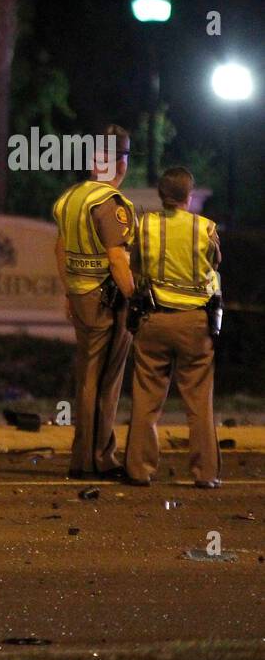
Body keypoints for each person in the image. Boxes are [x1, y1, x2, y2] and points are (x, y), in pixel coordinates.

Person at [124, 167, 222, 488]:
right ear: (188, 196)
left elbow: (135, 266)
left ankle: (139, 470)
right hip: (195, 323)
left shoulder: (145, 225)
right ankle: (205, 474)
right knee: (199, 402)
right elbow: (214, 265)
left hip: (155, 320)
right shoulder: (205, 228)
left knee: (146, 399)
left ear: (160, 196)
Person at [51, 124, 137, 479]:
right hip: (108, 301)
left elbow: (59, 247)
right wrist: (136, 299)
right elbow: (117, 259)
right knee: (107, 381)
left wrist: (70, 291)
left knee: (87, 378)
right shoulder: (110, 203)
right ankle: (101, 457)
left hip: (81, 297)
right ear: (121, 163)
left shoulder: (70, 198)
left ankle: (81, 459)